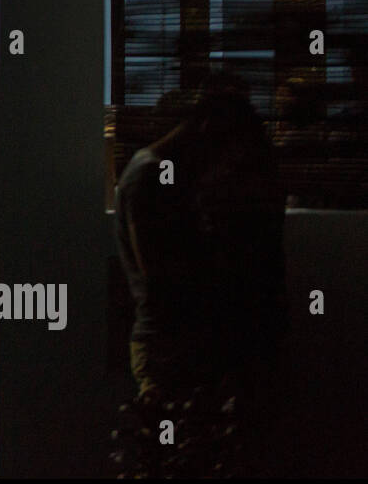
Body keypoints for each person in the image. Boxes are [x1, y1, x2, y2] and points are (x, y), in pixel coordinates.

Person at [114, 75, 287, 414]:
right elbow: (162, 276)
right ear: (208, 128)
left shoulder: (165, 176)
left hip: (176, 346)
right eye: (224, 148)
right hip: (170, 349)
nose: (220, 163)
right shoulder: (151, 178)